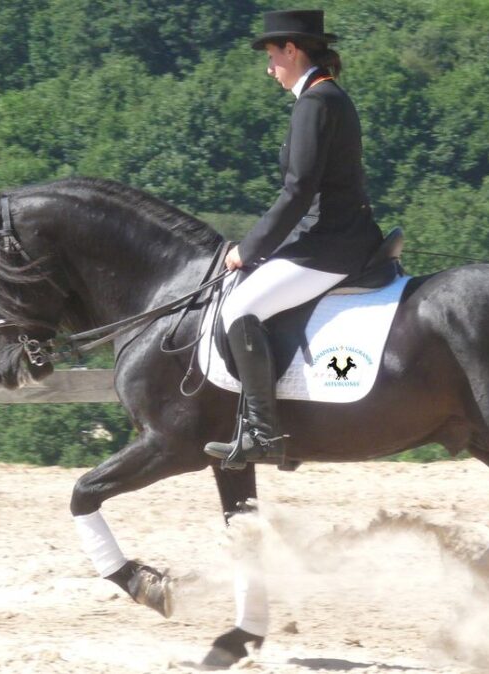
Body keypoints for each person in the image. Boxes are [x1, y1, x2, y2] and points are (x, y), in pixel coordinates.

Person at [204, 9, 384, 465]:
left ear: (293, 50)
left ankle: (264, 435)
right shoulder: (326, 98)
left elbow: (298, 192)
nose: (269, 68)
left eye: (272, 56)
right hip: (332, 237)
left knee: (239, 308)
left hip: (330, 245)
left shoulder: (316, 104)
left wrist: (249, 249)